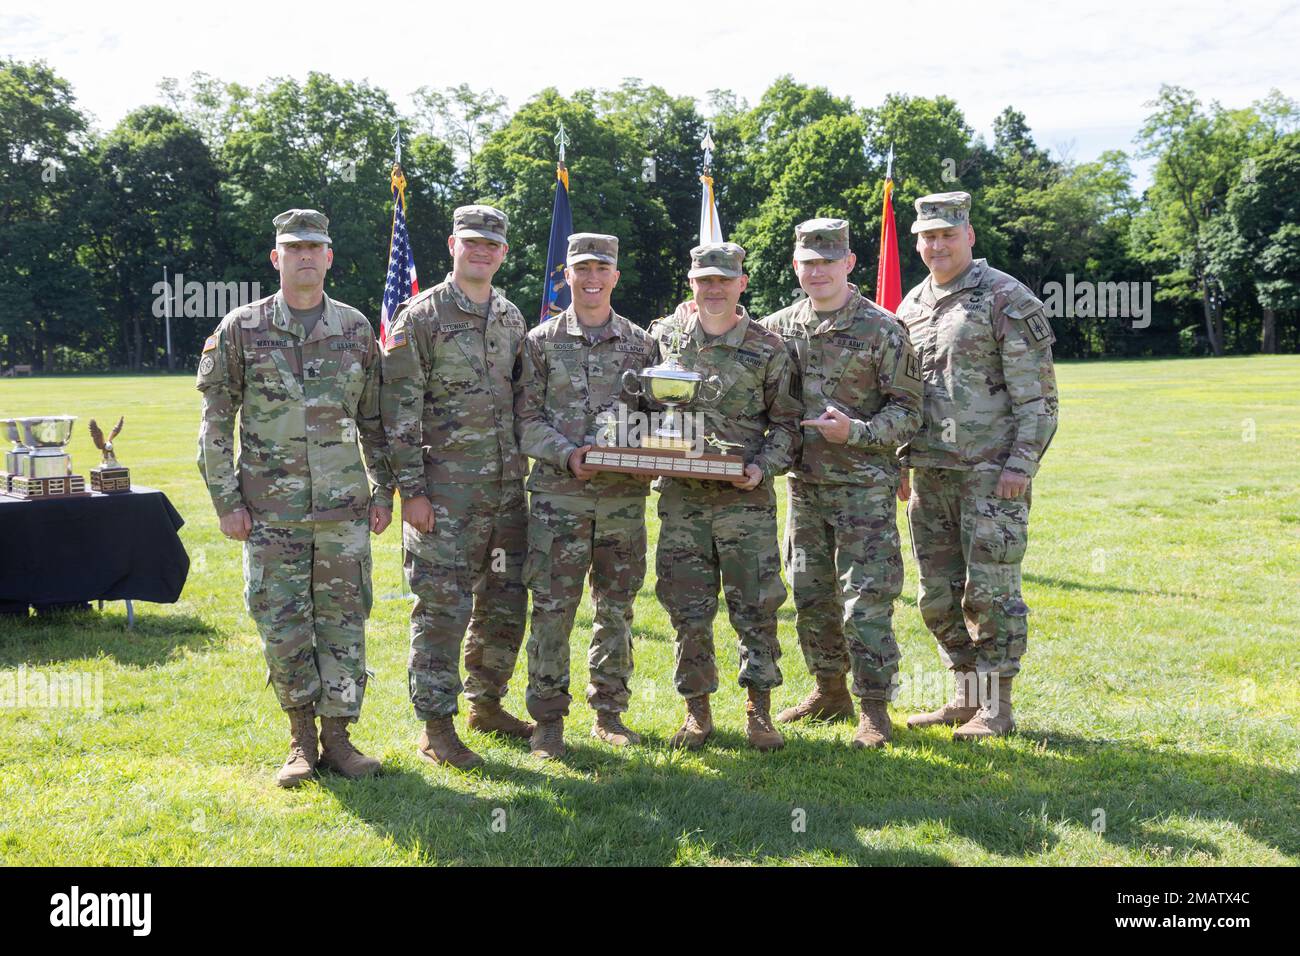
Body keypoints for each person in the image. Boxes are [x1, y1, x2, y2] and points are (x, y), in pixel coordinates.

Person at [197, 208, 392, 787]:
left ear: (329, 257)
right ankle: (301, 741)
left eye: (316, 248)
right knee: (282, 625)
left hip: (343, 512)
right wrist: (226, 501)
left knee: (344, 623)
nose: (306, 256)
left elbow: (375, 419)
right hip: (269, 513)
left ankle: (340, 740)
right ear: (276, 258)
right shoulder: (241, 328)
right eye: (294, 248)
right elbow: (214, 422)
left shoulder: (356, 329)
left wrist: (383, 489)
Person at [895, 191, 1058, 739]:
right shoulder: (911, 306)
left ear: (969, 236)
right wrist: (899, 461)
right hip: (929, 474)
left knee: (990, 593)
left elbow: (1038, 399)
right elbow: (901, 396)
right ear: (917, 242)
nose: (937, 244)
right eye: (927, 236)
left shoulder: (1005, 297)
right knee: (936, 594)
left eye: (947, 234)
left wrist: (1021, 465)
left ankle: (997, 706)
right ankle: (966, 693)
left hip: (992, 474)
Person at [381, 204, 532, 770]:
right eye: (472, 242)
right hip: (443, 500)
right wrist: (411, 492)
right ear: (452, 245)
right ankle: (436, 726)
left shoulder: (512, 318)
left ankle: (485, 703)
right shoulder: (420, 317)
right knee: (441, 612)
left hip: (506, 494)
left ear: (503, 252)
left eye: (492, 244)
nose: (482, 251)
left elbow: (524, 404)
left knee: (502, 605)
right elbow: (397, 412)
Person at [762, 218, 923, 748]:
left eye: (828, 262)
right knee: (811, 595)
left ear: (849, 264)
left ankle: (874, 709)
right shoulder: (779, 328)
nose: (818, 272)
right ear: (796, 266)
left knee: (867, 599)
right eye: (808, 263)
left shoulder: (883, 329)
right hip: (804, 488)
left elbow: (909, 410)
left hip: (864, 490)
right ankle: (829, 690)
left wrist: (858, 431)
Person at [649, 242, 802, 752]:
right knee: (686, 608)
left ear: (741, 282)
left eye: (724, 279)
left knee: (755, 606)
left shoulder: (768, 347)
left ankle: (760, 712)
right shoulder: (665, 337)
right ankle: (698, 712)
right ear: (691, 283)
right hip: (681, 502)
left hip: (745, 502)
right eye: (703, 279)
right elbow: (644, 411)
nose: (713, 288)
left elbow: (786, 425)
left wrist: (763, 467)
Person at [514, 233, 657, 759]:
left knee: (616, 608)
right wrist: (566, 453)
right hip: (558, 498)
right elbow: (524, 420)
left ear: (615, 276)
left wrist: (648, 454)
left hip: (622, 501)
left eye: (602, 268)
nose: (592, 278)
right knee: (553, 609)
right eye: (582, 269)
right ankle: (548, 721)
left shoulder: (642, 345)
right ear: (566, 275)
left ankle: (609, 713)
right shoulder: (540, 342)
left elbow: (659, 419)